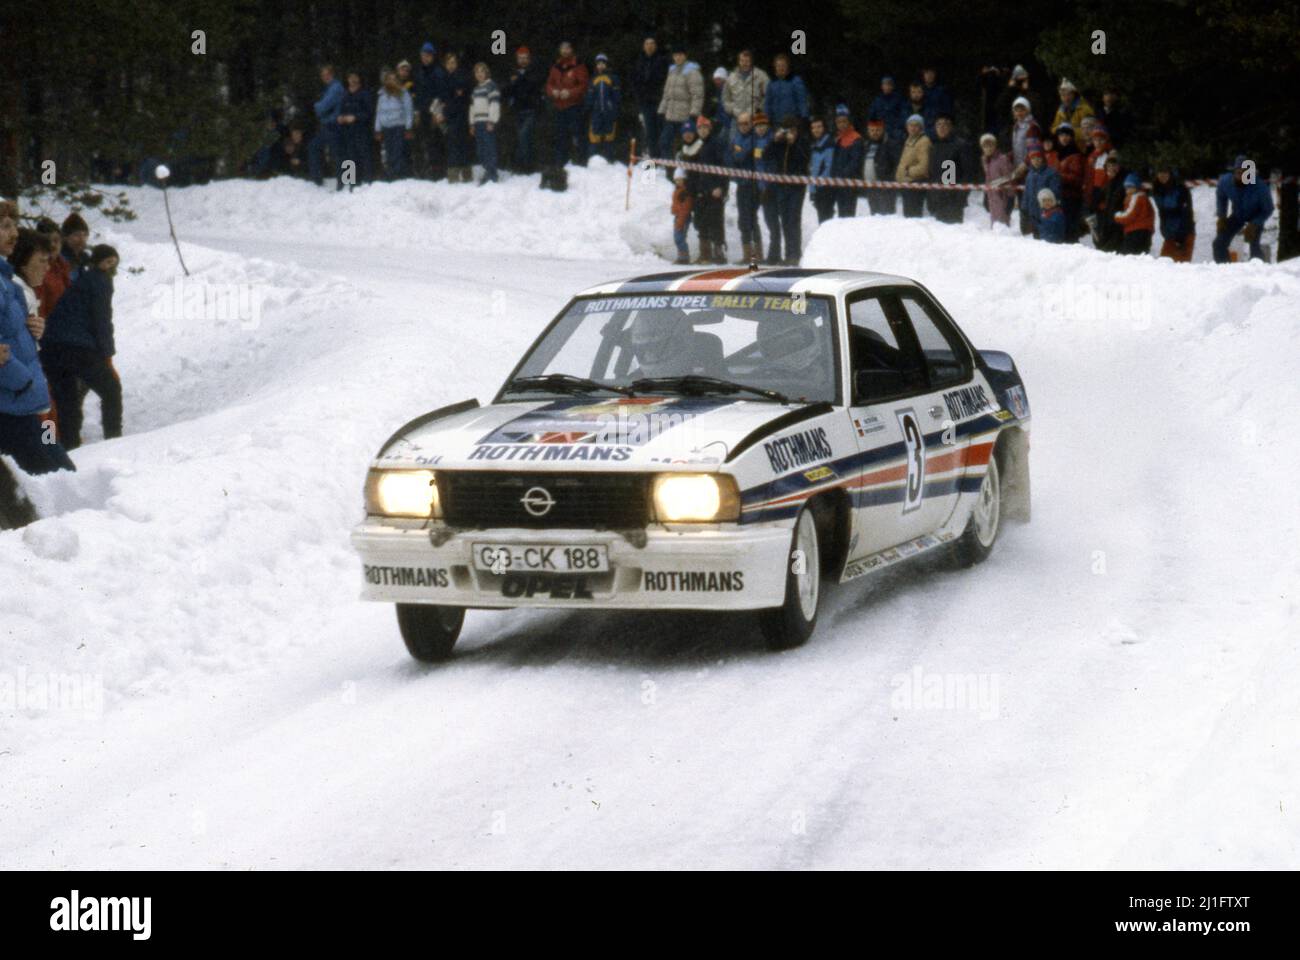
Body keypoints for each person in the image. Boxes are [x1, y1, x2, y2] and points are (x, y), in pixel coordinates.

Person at [0, 205, 73, 474]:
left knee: (59, 468)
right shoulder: (12, 284)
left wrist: (35, 332)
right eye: (5, 226)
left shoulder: (10, 283)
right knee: (53, 477)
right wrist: (23, 381)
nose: (14, 233)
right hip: (17, 400)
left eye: (13, 225)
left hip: (29, 397)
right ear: (23, 261)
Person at [40, 244, 121, 451]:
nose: (111, 267)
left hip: (49, 345)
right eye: (107, 262)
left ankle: (69, 448)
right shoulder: (99, 281)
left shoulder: (78, 278)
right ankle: (115, 441)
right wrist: (107, 353)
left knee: (64, 401)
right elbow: (102, 320)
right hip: (74, 346)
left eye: (114, 263)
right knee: (111, 389)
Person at [1213, 155, 1274, 263]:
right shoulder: (1225, 181)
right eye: (1238, 172)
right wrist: (1221, 216)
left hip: (1256, 215)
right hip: (1238, 215)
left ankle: (1258, 267)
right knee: (1219, 243)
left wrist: (1255, 223)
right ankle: (1224, 268)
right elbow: (1221, 197)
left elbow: (1268, 208)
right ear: (1234, 172)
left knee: (1254, 247)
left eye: (1245, 173)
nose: (1241, 175)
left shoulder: (1260, 187)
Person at [767, 115, 810, 264]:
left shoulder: (802, 142)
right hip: (782, 187)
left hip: (797, 187)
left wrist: (794, 144)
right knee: (784, 219)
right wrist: (774, 140)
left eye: (792, 130)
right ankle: (788, 254)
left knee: (793, 219)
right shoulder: (780, 143)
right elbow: (766, 155)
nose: (789, 133)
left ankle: (795, 254)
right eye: (787, 130)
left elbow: (804, 159)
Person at [688, 116, 727, 263]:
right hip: (700, 189)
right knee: (700, 221)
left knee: (716, 221)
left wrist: (721, 187)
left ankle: (719, 252)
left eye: (705, 128)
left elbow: (724, 167)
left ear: (710, 129)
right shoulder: (695, 145)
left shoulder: (717, 143)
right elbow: (691, 170)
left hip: (715, 189)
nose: (703, 131)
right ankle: (704, 253)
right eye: (700, 128)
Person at [546, 41, 589, 168]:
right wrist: (553, 91)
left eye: (567, 48)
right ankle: (560, 164)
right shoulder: (556, 66)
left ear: (571, 50)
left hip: (574, 106)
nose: (565, 51)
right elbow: (549, 84)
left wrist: (570, 93)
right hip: (559, 107)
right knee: (560, 137)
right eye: (562, 48)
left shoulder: (578, 65)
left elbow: (584, 85)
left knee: (577, 136)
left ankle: (580, 163)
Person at [432, 52, 474, 182]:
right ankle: (454, 175)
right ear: (445, 65)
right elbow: (442, 99)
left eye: (453, 62)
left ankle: (465, 175)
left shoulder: (461, 78)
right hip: (449, 118)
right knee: (452, 146)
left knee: (461, 146)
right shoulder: (443, 79)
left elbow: (459, 101)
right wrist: (439, 112)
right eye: (449, 63)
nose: (451, 65)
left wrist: (445, 112)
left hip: (461, 117)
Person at [926, 115, 972, 223]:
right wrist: (931, 196)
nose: (942, 128)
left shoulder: (961, 145)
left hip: (954, 200)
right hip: (937, 199)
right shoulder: (934, 146)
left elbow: (968, 173)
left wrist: (962, 196)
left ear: (951, 127)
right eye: (939, 125)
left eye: (945, 124)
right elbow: (932, 173)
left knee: (952, 231)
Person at [504, 46, 543, 174]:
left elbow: (532, 85)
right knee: (522, 139)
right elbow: (507, 90)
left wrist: (519, 79)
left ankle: (526, 167)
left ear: (529, 59)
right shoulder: (513, 72)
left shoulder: (534, 71)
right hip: (517, 110)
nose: (523, 60)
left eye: (525, 58)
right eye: (520, 58)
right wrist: (514, 82)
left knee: (524, 136)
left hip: (531, 109)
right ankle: (523, 166)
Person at [412, 42, 446, 179]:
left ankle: (438, 171)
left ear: (432, 56)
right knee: (424, 141)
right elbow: (417, 93)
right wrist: (417, 112)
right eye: (423, 55)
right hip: (422, 111)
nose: (425, 58)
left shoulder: (438, 71)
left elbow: (441, 93)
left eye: (428, 55)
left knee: (436, 141)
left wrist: (436, 112)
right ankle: (426, 170)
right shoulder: (419, 72)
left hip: (435, 111)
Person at [631, 37, 669, 159]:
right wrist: (640, 100)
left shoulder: (662, 61)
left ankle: (665, 160)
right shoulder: (639, 62)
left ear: (656, 46)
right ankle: (654, 159)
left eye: (652, 43)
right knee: (650, 133)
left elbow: (666, 81)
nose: (649, 46)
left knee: (662, 131)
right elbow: (635, 83)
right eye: (647, 43)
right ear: (643, 46)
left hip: (660, 102)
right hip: (646, 103)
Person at [308, 65, 345, 187]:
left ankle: (345, 181)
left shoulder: (336, 87)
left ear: (332, 74)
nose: (325, 77)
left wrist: (317, 106)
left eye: (327, 74)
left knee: (337, 154)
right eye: (323, 75)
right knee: (315, 147)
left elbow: (322, 107)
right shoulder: (329, 88)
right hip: (327, 125)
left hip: (335, 125)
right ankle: (318, 180)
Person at [336, 70, 374, 188]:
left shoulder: (365, 94)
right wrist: (340, 118)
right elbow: (340, 111)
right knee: (349, 156)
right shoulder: (345, 95)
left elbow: (369, 113)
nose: (352, 80)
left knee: (364, 155)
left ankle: (368, 182)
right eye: (350, 77)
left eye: (355, 77)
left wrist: (356, 117)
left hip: (362, 130)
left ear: (359, 79)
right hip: (347, 130)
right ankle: (351, 183)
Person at [374, 69, 414, 180]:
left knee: (398, 151)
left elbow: (408, 110)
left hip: (399, 125)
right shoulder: (382, 95)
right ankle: (391, 172)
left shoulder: (403, 93)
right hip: (386, 126)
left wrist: (408, 127)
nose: (391, 81)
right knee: (388, 151)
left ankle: (398, 174)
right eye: (389, 79)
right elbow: (379, 112)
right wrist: (377, 128)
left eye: (393, 79)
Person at [1151, 166, 1195, 261]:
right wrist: (1165, 231)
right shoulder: (1157, 189)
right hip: (1169, 234)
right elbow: (1162, 213)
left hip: (1185, 233)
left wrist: (1180, 237)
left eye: (1165, 173)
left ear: (1170, 174)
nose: (1162, 176)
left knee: (1181, 265)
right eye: (1160, 173)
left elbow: (1186, 213)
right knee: (1164, 263)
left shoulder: (1180, 188)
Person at [1051, 122, 1086, 240]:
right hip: (1058, 196)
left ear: (1071, 137)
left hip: (1071, 197)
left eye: (1067, 135)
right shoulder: (1056, 153)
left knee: (1070, 230)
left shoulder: (1075, 154)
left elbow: (1077, 178)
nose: (1064, 138)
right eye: (1061, 135)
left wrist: (1059, 176)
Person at [585, 54, 621, 162]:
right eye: (598, 64)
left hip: (609, 112)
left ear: (606, 64)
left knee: (609, 136)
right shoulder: (593, 78)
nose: (600, 66)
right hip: (596, 112)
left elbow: (617, 96)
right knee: (594, 136)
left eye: (603, 64)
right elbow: (590, 95)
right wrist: (589, 107)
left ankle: (609, 160)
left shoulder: (612, 78)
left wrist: (615, 109)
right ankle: (592, 159)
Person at [831, 105, 865, 219]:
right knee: (841, 215)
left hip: (849, 183)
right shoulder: (838, 139)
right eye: (839, 122)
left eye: (844, 121)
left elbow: (855, 162)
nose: (841, 124)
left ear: (849, 122)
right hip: (839, 183)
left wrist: (842, 175)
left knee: (848, 215)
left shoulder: (856, 138)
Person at [469, 62, 501, 184]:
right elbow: (472, 108)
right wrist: (472, 124)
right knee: (480, 150)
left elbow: (494, 104)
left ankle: (492, 174)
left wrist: (492, 120)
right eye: (477, 72)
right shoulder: (475, 90)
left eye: (482, 71)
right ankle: (487, 169)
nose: (479, 74)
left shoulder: (491, 86)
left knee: (489, 148)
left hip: (487, 122)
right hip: (478, 123)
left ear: (486, 72)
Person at [895, 113, 931, 218]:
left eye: (916, 125)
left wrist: (907, 172)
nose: (913, 128)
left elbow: (924, 166)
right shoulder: (909, 140)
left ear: (921, 127)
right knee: (908, 218)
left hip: (915, 184)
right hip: (906, 184)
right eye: (911, 125)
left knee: (914, 217)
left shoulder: (923, 141)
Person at [1090, 152, 1127, 252]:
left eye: (1114, 165)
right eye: (1109, 165)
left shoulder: (1123, 182)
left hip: (1118, 224)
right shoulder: (1109, 183)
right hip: (1108, 221)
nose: (1111, 168)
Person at [1022, 142, 1060, 238]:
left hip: (1047, 212)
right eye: (1033, 158)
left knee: (1047, 237)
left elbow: (1055, 192)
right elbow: (1026, 193)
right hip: (1033, 212)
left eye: (1038, 158)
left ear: (1043, 158)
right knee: (1036, 237)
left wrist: (1051, 207)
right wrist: (1024, 208)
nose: (1036, 161)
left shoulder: (1051, 173)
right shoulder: (1029, 175)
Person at [35, 218, 70, 319]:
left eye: (56, 240)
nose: (52, 245)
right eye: (47, 241)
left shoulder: (62, 268)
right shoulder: (36, 269)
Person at [862, 119, 900, 215]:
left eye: (877, 130)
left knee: (886, 215)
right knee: (874, 215)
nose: (875, 133)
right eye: (872, 130)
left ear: (883, 130)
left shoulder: (890, 144)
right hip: (870, 187)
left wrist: (889, 180)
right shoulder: (866, 145)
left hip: (886, 188)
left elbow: (897, 165)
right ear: (868, 131)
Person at [723, 50, 770, 125]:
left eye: (747, 61)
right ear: (738, 61)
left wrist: (758, 110)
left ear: (751, 62)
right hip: (737, 119)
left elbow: (768, 96)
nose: (744, 63)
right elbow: (725, 99)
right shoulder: (731, 77)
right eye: (742, 61)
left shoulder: (761, 76)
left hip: (756, 118)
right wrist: (733, 110)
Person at [1113, 173, 1155, 255]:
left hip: (1136, 232)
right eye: (1126, 187)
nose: (1128, 189)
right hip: (1145, 232)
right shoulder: (1143, 197)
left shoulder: (1137, 197)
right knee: (1141, 256)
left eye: (1130, 187)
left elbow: (1129, 215)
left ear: (1137, 187)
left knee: (1127, 256)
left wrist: (1117, 216)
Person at [764, 54, 809, 126]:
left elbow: (802, 101)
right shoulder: (772, 83)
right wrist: (766, 118)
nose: (781, 68)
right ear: (775, 67)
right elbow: (767, 103)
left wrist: (804, 117)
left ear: (787, 66)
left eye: (783, 65)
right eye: (778, 66)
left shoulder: (796, 81)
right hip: (776, 122)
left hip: (793, 121)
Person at [979, 134, 1014, 226]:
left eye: (991, 145)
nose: (988, 149)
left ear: (995, 146)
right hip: (991, 195)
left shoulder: (1002, 159)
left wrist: (1011, 197)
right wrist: (986, 194)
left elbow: (1009, 177)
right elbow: (987, 178)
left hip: (1002, 195)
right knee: (994, 223)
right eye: (985, 146)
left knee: (1002, 223)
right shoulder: (985, 160)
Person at [808, 116, 836, 223]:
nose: (816, 130)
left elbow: (829, 167)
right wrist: (812, 189)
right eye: (813, 127)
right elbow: (813, 169)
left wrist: (819, 185)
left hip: (826, 188)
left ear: (824, 128)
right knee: (822, 219)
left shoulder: (829, 144)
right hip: (817, 187)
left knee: (826, 220)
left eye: (819, 127)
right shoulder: (814, 145)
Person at [868, 75, 907, 143]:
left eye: (889, 85)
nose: (887, 87)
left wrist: (897, 127)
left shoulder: (898, 99)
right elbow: (871, 116)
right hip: (880, 129)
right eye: (885, 85)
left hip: (895, 129)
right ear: (882, 86)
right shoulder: (877, 100)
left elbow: (903, 116)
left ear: (892, 87)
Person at [671, 167, 693, 264]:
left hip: (683, 217)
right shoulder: (677, 190)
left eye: (680, 180)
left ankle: (684, 257)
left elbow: (685, 208)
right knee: (678, 237)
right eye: (676, 180)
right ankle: (682, 255)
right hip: (678, 216)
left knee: (679, 237)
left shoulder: (685, 192)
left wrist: (680, 221)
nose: (678, 182)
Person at [61, 213, 90, 281]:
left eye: (85, 235)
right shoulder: (59, 259)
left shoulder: (84, 260)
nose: (82, 239)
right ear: (66, 237)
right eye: (77, 235)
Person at [709, 66, 731, 135]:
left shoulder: (730, 90)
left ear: (724, 79)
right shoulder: (717, 91)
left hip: (727, 123)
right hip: (718, 122)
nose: (716, 82)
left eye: (718, 79)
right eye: (715, 80)